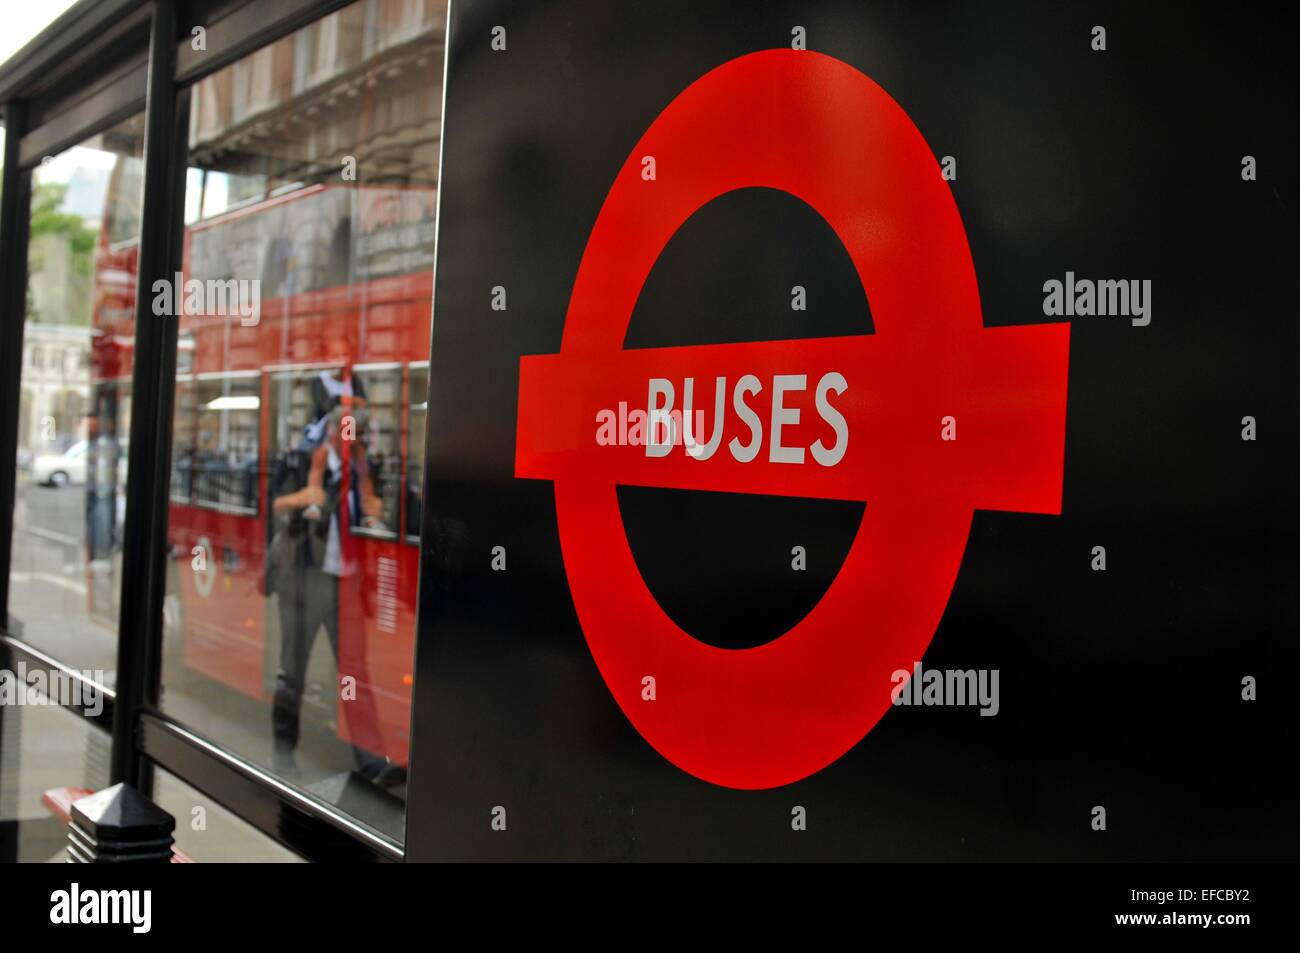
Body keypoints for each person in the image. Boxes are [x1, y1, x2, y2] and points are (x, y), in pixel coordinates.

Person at [269, 403, 401, 786]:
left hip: (346, 584)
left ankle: (372, 761)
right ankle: (282, 752)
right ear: (333, 434)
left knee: (356, 674)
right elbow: (272, 504)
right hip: (304, 581)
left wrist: (375, 511)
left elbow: (375, 516)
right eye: (351, 438)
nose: (356, 445)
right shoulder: (300, 461)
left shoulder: (363, 471)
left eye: (359, 439)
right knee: (293, 669)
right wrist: (303, 498)